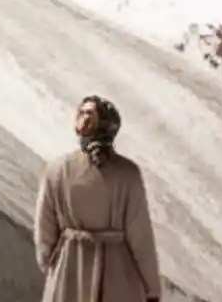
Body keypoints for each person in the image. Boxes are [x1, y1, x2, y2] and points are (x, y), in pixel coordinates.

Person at [33, 95, 162, 302]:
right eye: (82, 113)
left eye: (89, 114)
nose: (84, 119)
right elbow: (140, 238)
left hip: (70, 270)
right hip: (117, 274)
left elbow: (45, 233)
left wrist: (53, 266)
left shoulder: (58, 169)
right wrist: (152, 289)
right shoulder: (127, 174)